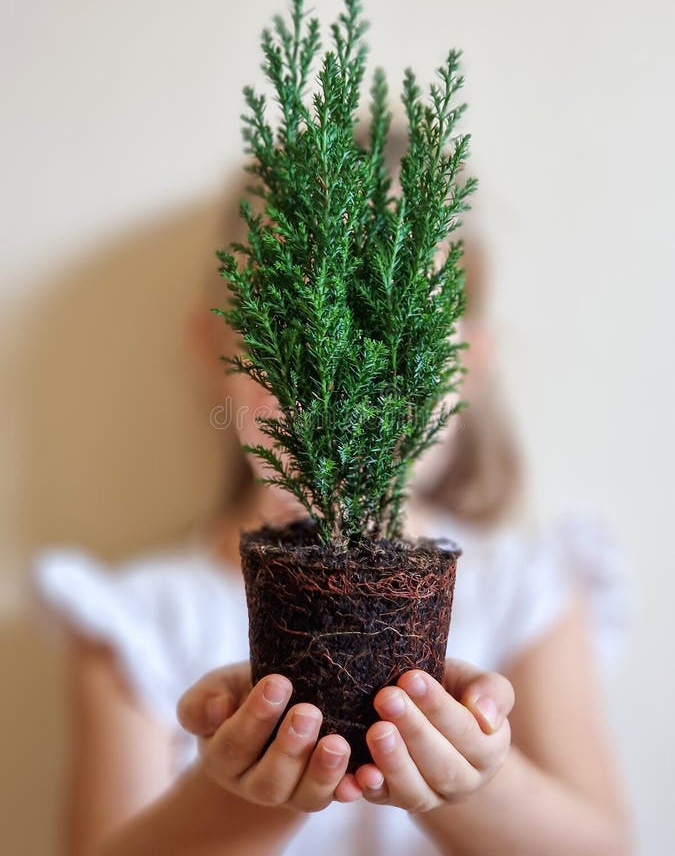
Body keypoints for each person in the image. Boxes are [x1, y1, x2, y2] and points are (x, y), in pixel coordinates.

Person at [34, 148, 632, 855]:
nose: (336, 371)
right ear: (214, 346)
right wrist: (240, 795)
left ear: (463, 366)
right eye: (290, 319)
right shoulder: (137, 623)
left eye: (391, 327)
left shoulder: (528, 589)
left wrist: (472, 781)